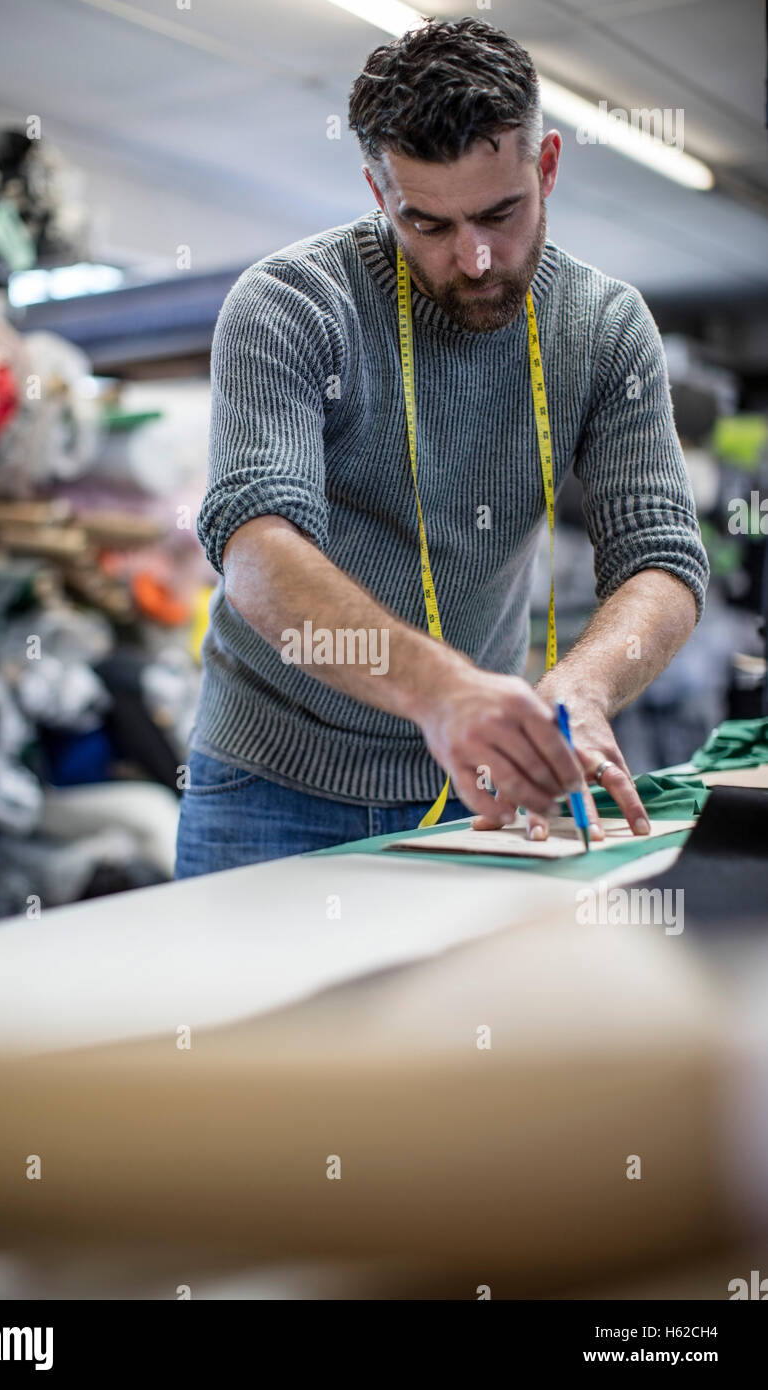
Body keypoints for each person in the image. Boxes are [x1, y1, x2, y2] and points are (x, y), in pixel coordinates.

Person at [175, 17, 709, 880]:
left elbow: (661, 556)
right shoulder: (289, 304)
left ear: (547, 167)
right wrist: (442, 693)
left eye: (501, 211)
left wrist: (583, 687)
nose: (475, 257)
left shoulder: (607, 328)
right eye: (428, 225)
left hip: (488, 782)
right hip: (270, 788)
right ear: (378, 193)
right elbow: (257, 549)